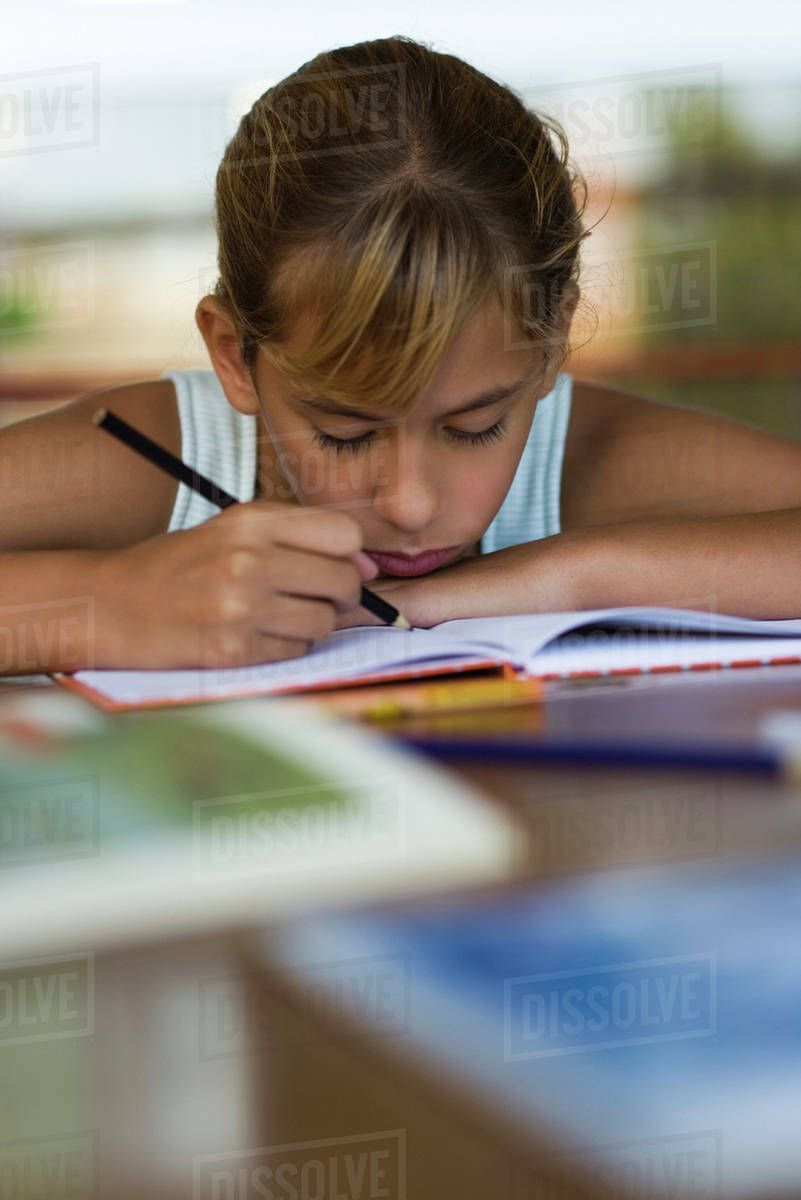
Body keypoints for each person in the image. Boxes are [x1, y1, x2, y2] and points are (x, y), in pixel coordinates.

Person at [3, 34, 801, 677]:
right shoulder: (163, 456)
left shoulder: (589, 460)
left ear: (552, 339)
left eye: (476, 426)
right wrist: (108, 600)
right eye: (345, 435)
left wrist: (554, 580)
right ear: (234, 355)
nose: (411, 504)